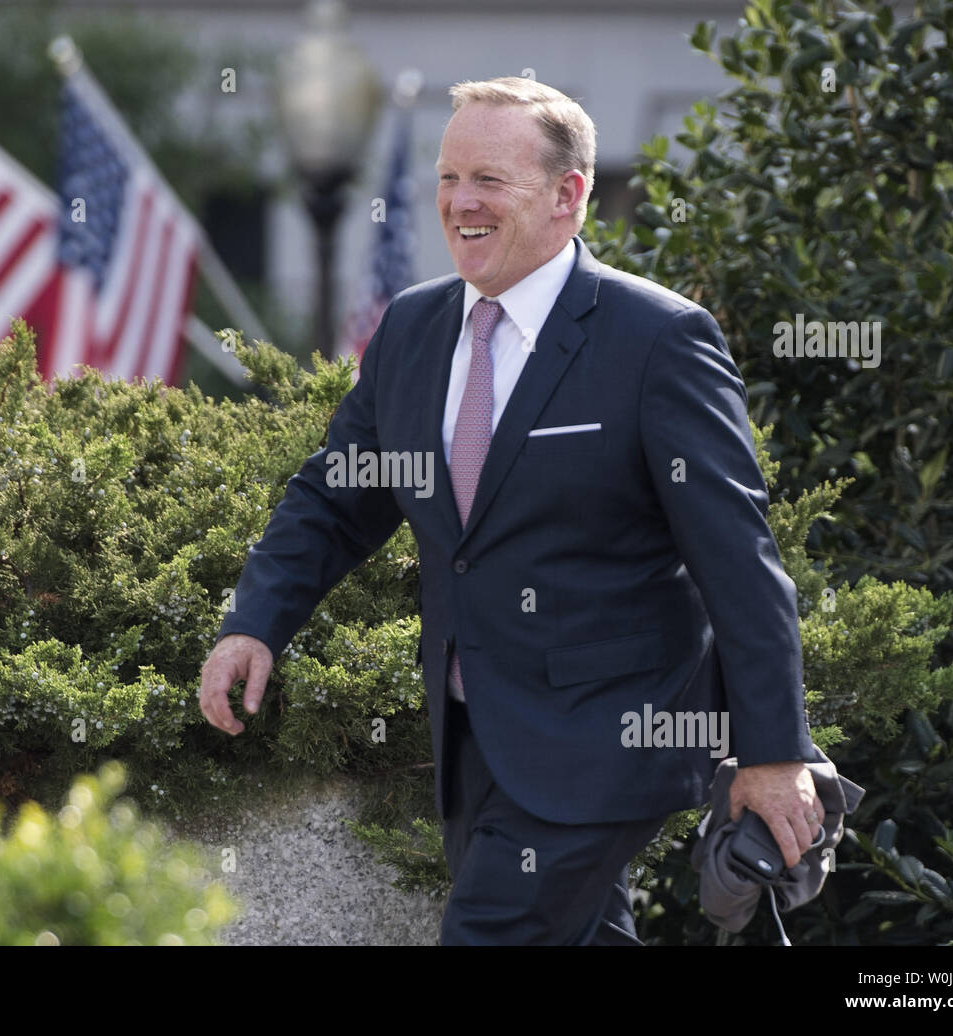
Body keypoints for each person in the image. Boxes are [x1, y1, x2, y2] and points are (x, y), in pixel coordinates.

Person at [200, 76, 823, 945]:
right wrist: (254, 623)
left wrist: (774, 751)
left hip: (611, 741)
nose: (460, 203)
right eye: (449, 178)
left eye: (489, 180)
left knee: (490, 934)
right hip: (473, 736)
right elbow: (334, 499)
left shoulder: (658, 340)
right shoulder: (412, 330)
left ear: (569, 195)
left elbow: (737, 558)